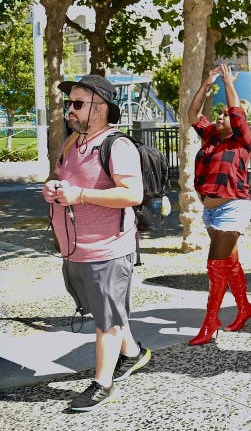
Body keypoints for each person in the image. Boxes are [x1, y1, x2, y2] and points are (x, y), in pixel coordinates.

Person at [44, 75, 151, 411]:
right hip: (76, 248)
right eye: (69, 104)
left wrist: (81, 195)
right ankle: (133, 353)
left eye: (78, 104)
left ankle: (102, 384)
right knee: (107, 309)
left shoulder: (116, 146)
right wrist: (53, 188)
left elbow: (133, 194)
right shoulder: (69, 144)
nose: (69, 110)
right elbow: (62, 179)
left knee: (108, 320)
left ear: (101, 108)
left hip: (109, 248)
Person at [187, 64, 251, 346]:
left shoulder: (244, 140)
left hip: (233, 209)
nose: (221, 117)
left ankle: (210, 321)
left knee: (215, 266)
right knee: (230, 262)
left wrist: (229, 84)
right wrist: (207, 83)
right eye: (219, 113)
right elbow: (192, 114)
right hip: (210, 210)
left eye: (225, 115)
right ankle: (244, 308)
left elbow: (238, 114)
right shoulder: (210, 137)